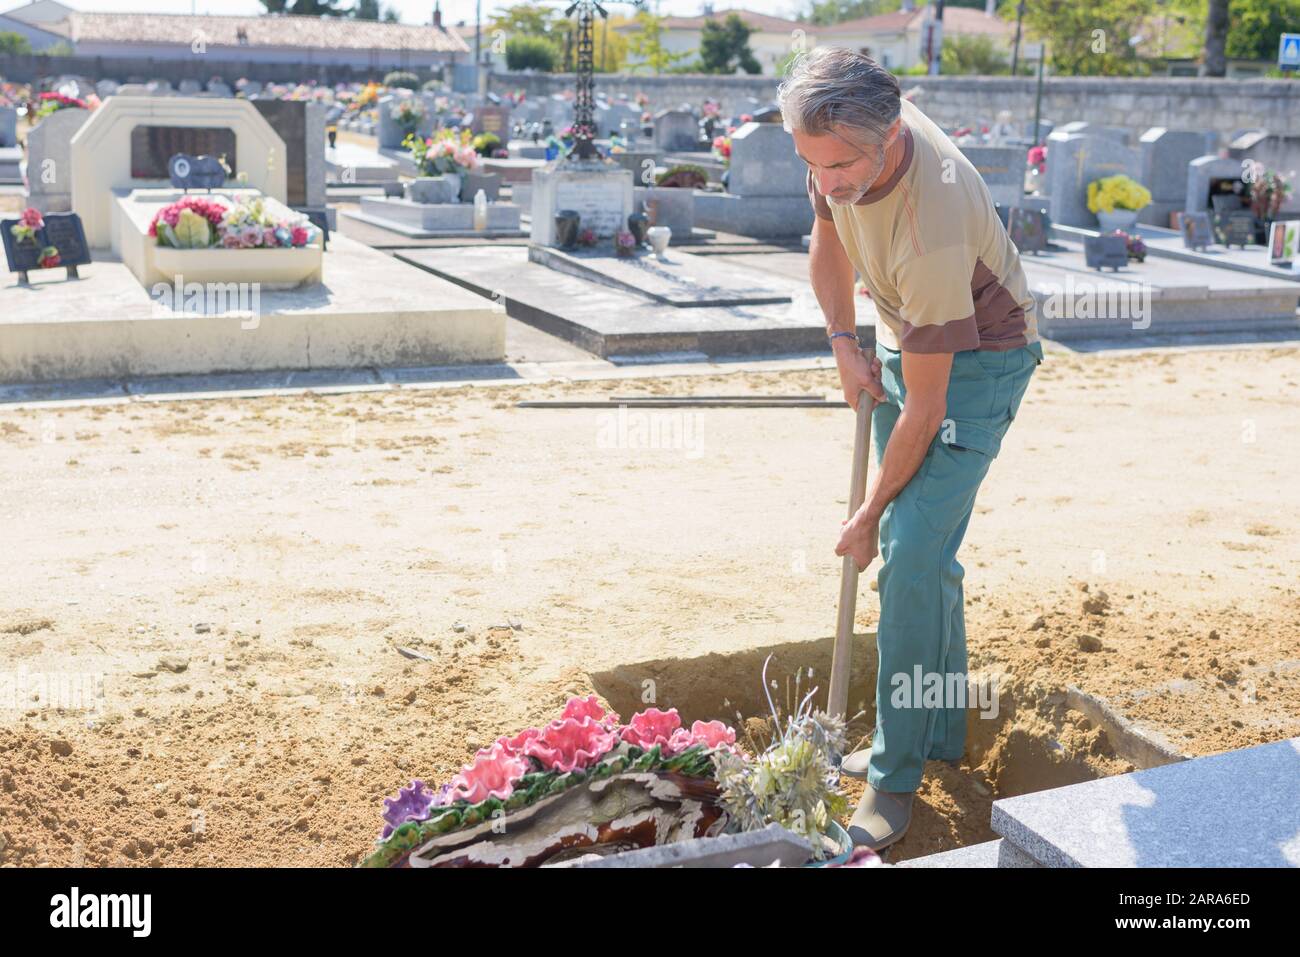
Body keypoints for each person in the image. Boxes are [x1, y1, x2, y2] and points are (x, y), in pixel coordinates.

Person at [778, 47, 1044, 852]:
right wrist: (841, 341)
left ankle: (894, 779)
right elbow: (827, 237)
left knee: (908, 552)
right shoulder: (834, 135)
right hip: (910, 341)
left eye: (838, 166)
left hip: (979, 366)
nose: (824, 180)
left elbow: (927, 410)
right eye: (810, 164)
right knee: (928, 553)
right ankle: (940, 731)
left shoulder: (933, 217)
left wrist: (866, 514)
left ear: (890, 136)